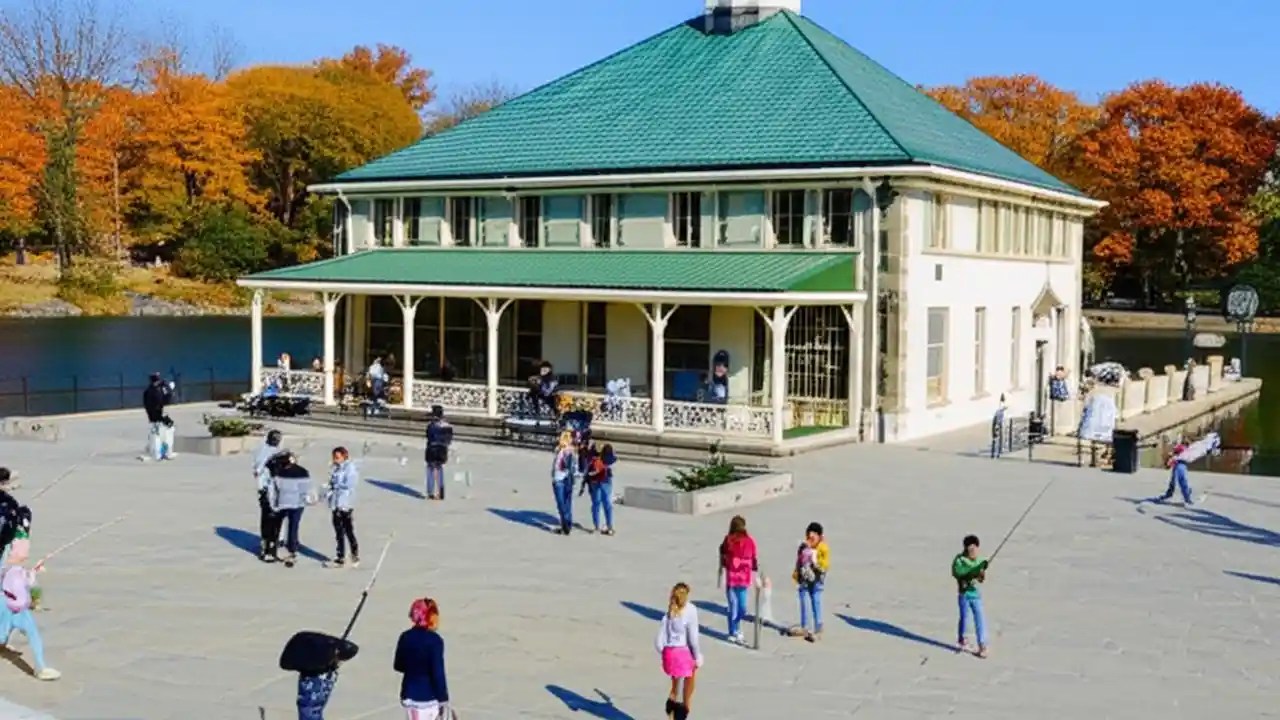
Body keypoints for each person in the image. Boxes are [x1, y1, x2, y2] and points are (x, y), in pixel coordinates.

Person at [0, 527, 60, 680]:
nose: (24, 555)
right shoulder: (6, 567)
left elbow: (29, 585)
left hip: (21, 611)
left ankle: (40, 667)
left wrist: (32, 574)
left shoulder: (18, 570)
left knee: (34, 634)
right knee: (2, 635)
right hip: (6, 608)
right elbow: (13, 584)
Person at [395, 597, 451, 719]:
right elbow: (438, 672)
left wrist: (414, 667)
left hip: (409, 695)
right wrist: (444, 698)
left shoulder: (405, 637)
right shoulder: (436, 641)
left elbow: (398, 666)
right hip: (429, 699)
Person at [654, 582, 702, 720]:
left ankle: (671, 708)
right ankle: (683, 711)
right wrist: (697, 656)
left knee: (675, 686)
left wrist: (665, 653)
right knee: (689, 684)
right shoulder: (690, 610)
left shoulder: (668, 614)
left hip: (669, 655)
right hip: (683, 654)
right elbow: (693, 639)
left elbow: (658, 642)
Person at [269, 452, 315, 568]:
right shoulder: (278, 472)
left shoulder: (301, 472)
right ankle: (278, 545)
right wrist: (273, 502)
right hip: (283, 503)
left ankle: (292, 548)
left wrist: (306, 499)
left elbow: (305, 489)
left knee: (292, 526)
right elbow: (274, 489)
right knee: (282, 526)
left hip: (296, 504)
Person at [718, 515, 758, 645]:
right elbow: (724, 556)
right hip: (732, 580)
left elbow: (753, 558)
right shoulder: (728, 541)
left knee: (742, 608)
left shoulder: (749, 541)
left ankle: (736, 628)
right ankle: (734, 631)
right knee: (733, 606)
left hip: (743, 580)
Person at [790, 521, 829, 642]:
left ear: (820, 537)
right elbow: (799, 561)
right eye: (808, 537)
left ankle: (818, 627)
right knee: (804, 600)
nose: (810, 540)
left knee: (816, 600)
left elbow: (825, 564)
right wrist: (797, 573)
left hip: (817, 579)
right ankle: (805, 626)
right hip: (804, 579)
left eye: (813, 537)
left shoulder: (823, 548)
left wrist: (815, 560)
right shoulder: (804, 547)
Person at [952, 534, 990, 658]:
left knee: (980, 618)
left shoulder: (979, 561)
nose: (973, 551)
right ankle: (962, 639)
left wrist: (981, 574)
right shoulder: (960, 560)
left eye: (974, 548)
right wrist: (974, 572)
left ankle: (982, 644)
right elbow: (959, 573)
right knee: (965, 618)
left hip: (975, 594)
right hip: (964, 594)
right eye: (970, 548)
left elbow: (981, 579)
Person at [325, 447, 359, 568]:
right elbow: (331, 484)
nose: (335, 459)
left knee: (348, 530)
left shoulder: (350, 468)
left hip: (346, 503)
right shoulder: (335, 468)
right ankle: (340, 556)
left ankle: (354, 554)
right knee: (338, 531)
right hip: (336, 503)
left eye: (337, 457)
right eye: (334, 457)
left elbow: (350, 484)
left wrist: (337, 485)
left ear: (344, 457)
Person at [253, 430, 285, 562]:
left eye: (278, 438)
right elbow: (258, 472)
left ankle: (274, 547)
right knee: (268, 521)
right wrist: (262, 490)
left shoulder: (278, 452)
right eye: (275, 438)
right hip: (267, 492)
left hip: (278, 492)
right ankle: (265, 549)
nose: (277, 440)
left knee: (277, 521)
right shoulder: (264, 453)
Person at [580, 442, 617, 535]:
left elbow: (613, 459)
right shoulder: (593, 455)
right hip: (598, 481)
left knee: (601, 503)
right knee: (601, 503)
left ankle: (604, 526)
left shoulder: (603, 454)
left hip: (601, 481)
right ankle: (602, 526)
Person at [142, 372, 175, 461]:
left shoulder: (148, 391)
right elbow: (167, 398)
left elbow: (146, 405)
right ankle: (163, 453)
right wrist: (167, 386)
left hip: (153, 416)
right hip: (158, 415)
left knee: (156, 434)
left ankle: (158, 452)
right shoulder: (157, 391)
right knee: (165, 432)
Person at [424, 406, 453, 501]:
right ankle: (441, 492)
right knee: (439, 469)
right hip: (443, 449)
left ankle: (430, 492)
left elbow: (429, 435)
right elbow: (449, 439)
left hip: (432, 448)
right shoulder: (448, 425)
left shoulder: (432, 425)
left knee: (430, 469)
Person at [551, 432, 576, 535]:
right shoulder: (559, 451)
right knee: (564, 503)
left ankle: (566, 524)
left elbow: (570, 466)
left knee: (564, 503)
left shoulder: (569, 452)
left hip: (563, 479)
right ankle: (566, 524)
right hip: (561, 479)